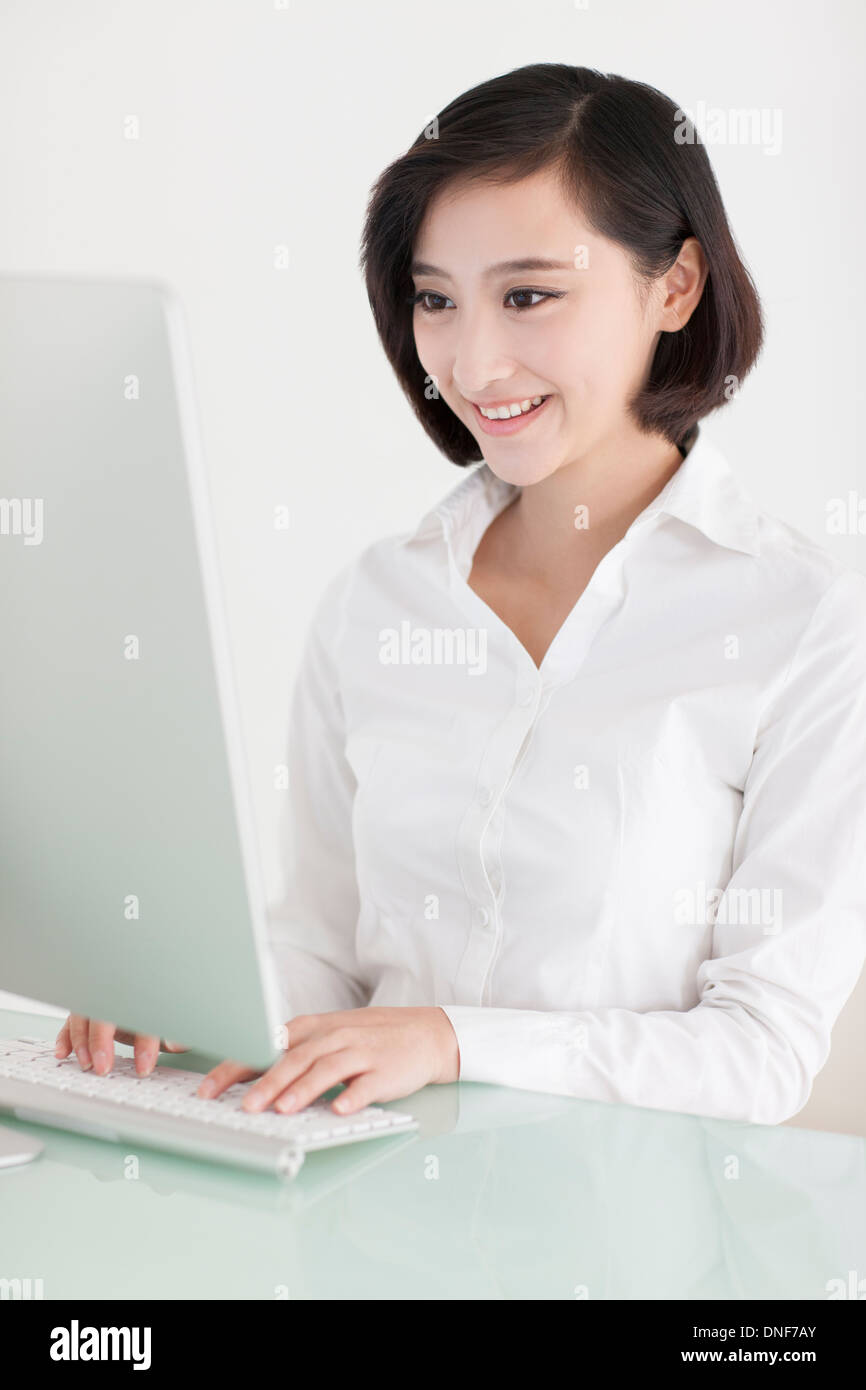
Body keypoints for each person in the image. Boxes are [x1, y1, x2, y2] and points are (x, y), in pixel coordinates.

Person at [57, 63, 866, 1126]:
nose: (472, 361)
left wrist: (451, 1041)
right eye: (434, 299)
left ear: (673, 286)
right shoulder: (377, 601)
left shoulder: (796, 621)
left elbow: (758, 1057)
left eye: (528, 295)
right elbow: (323, 954)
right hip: (363, 1218)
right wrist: (181, 1006)